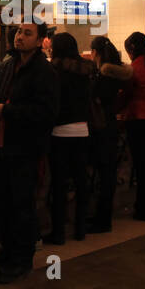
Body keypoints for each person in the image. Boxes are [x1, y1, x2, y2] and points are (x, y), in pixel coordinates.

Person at [0, 22, 57, 281]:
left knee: (22, 205)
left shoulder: (44, 71)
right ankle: (7, 252)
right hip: (2, 144)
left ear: (40, 41)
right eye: (18, 32)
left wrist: (8, 110)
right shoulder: (7, 67)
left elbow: (46, 113)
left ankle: (22, 261)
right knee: (3, 201)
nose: (19, 37)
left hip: (26, 148)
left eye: (27, 33)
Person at [107, 32, 145, 220]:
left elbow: (125, 96)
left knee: (141, 167)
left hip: (139, 120)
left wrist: (111, 109)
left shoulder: (134, 69)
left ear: (131, 49)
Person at [45, 32, 94, 244]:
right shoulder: (86, 69)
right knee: (81, 182)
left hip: (59, 132)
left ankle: (58, 233)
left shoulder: (53, 70)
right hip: (82, 129)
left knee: (59, 184)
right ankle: (80, 228)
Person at [87, 36, 126, 232]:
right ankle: (103, 217)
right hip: (112, 126)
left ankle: (102, 220)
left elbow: (94, 99)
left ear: (95, 53)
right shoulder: (119, 74)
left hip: (101, 129)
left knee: (104, 175)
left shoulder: (103, 76)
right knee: (108, 174)